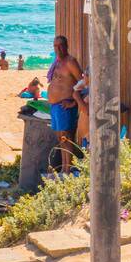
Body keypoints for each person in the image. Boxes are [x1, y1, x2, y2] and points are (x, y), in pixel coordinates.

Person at [47, 35, 84, 174]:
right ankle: (64, 167)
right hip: (55, 106)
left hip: (65, 106)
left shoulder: (70, 62)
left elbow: (83, 83)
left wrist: (74, 101)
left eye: (61, 45)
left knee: (66, 137)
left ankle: (67, 169)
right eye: (55, 46)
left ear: (66, 46)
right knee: (60, 138)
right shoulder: (57, 62)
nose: (58, 49)